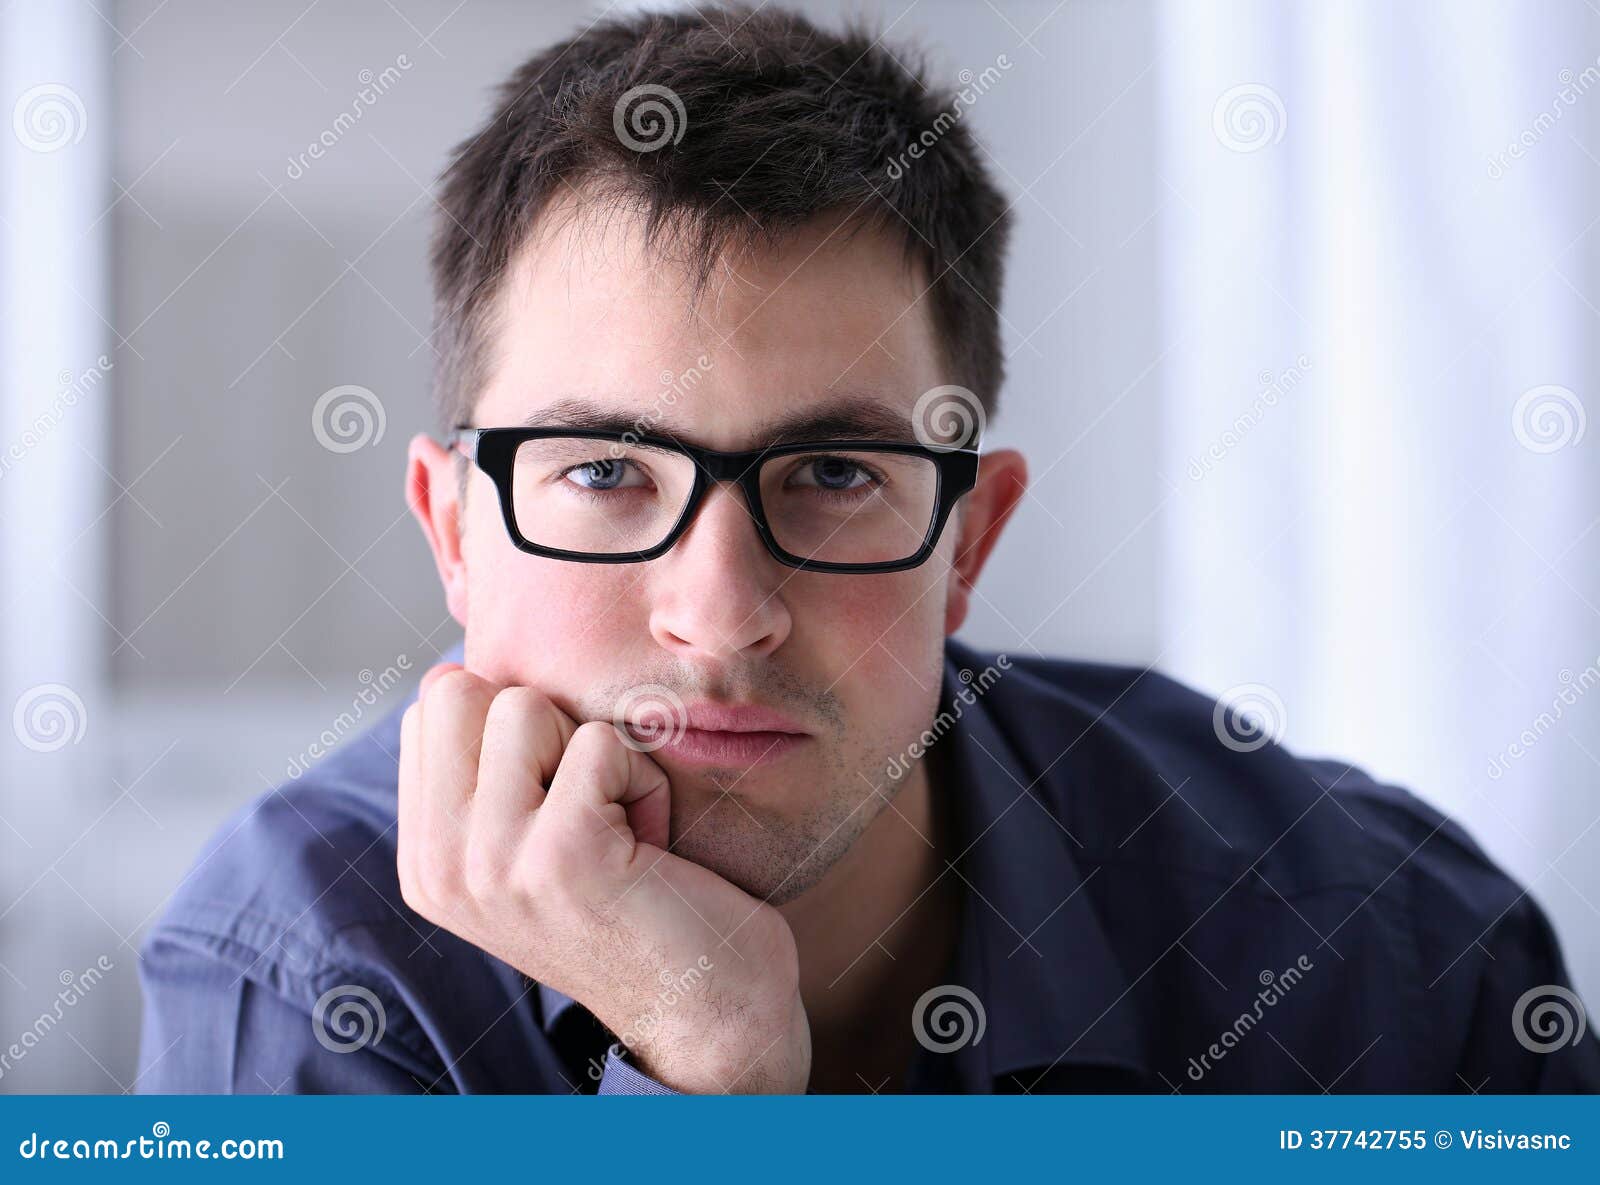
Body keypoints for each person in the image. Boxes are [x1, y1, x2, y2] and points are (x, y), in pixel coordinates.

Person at [137, 3, 1598, 1094]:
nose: (721, 611)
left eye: (835, 473)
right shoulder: (308, 979)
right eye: (603, 472)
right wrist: (707, 1073)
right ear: (455, 531)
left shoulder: (1377, 949)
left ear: (967, 541)